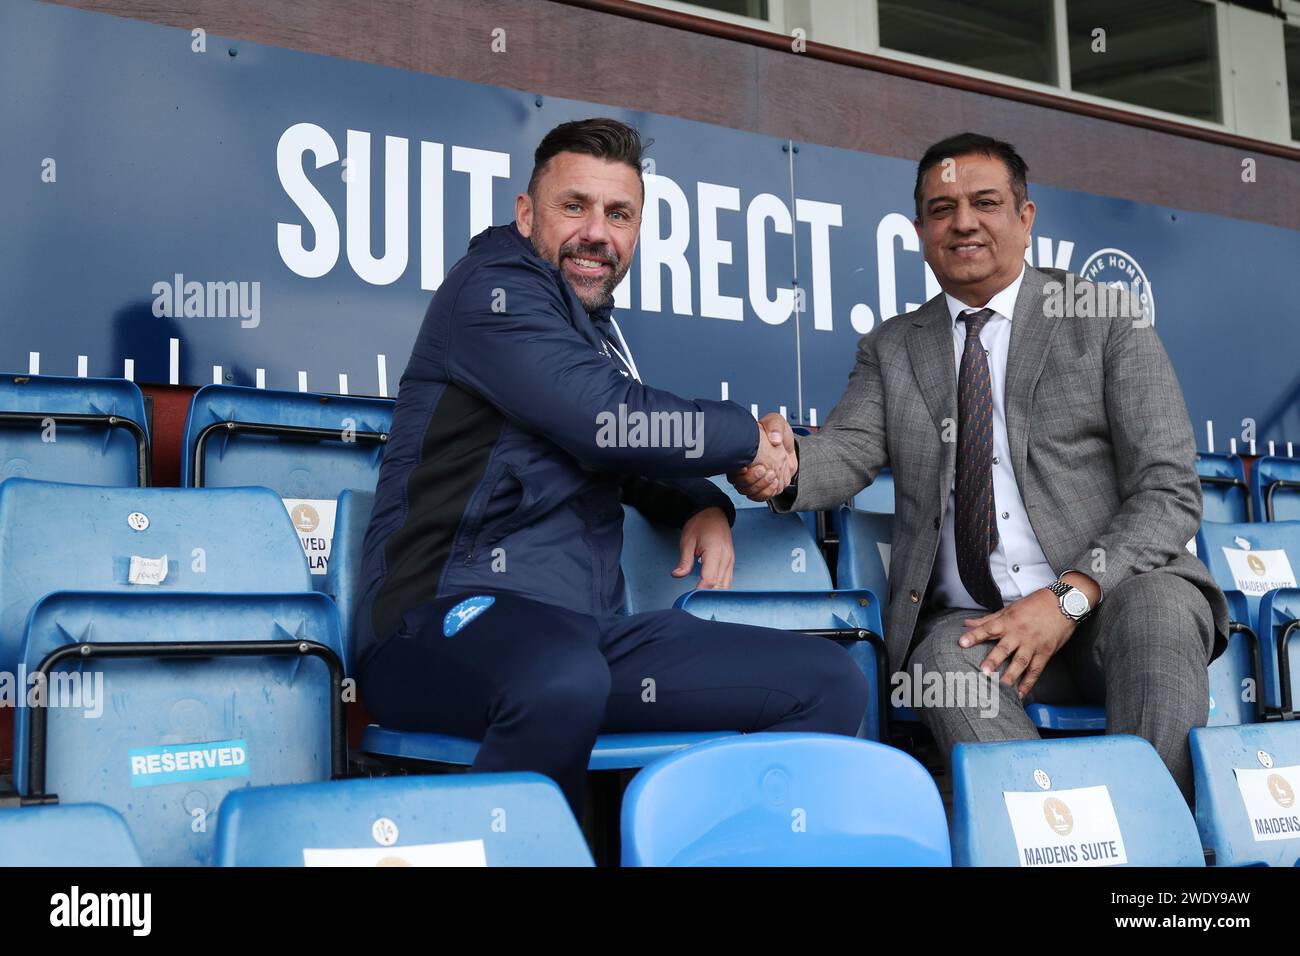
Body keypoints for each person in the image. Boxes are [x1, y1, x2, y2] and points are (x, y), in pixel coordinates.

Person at [354, 117, 867, 816]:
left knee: (827, 680)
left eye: (619, 214)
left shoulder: (591, 333)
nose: (598, 232)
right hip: (439, 626)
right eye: (575, 206)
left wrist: (699, 504)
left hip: (583, 639)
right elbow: (605, 420)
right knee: (559, 678)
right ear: (526, 214)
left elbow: (617, 452)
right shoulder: (491, 291)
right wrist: (747, 437)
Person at [731, 132, 1227, 800]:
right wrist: (779, 463)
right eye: (941, 209)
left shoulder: (1104, 318)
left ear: (1026, 218)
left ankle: (1154, 854)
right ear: (919, 232)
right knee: (944, 663)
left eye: (984, 202)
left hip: (1114, 606)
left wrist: (1066, 598)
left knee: (1163, 611)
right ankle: (1061, 842)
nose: (962, 221)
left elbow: (1169, 490)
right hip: (982, 628)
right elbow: (844, 453)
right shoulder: (893, 348)